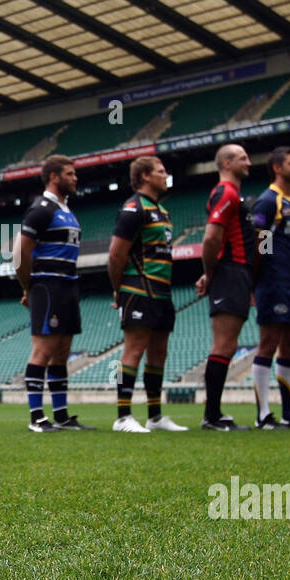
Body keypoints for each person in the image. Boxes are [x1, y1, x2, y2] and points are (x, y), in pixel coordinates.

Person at [108, 156, 187, 432]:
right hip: (138, 288)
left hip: (162, 292)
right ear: (144, 177)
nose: (166, 175)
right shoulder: (133, 208)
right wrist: (118, 290)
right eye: (161, 171)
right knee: (134, 349)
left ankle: (155, 416)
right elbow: (116, 254)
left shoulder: (162, 210)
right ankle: (123, 416)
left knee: (159, 352)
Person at [14, 155, 93, 431]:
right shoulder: (42, 208)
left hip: (69, 284)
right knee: (43, 351)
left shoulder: (67, 210)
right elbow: (19, 251)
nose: (75, 178)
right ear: (54, 177)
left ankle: (61, 416)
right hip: (48, 287)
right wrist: (29, 286)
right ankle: (37, 418)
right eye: (70, 174)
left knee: (62, 353)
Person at [248, 147, 290, 429]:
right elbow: (260, 242)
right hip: (274, 282)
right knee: (269, 342)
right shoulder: (267, 201)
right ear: (277, 168)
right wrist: (258, 280)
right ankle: (263, 415)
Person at [195, 143, 255, 430]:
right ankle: (212, 415)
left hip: (235, 273)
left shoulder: (233, 195)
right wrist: (211, 273)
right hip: (229, 273)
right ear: (227, 163)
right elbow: (210, 240)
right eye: (243, 158)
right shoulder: (226, 193)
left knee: (228, 345)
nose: (250, 162)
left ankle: (214, 413)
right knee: (224, 344)